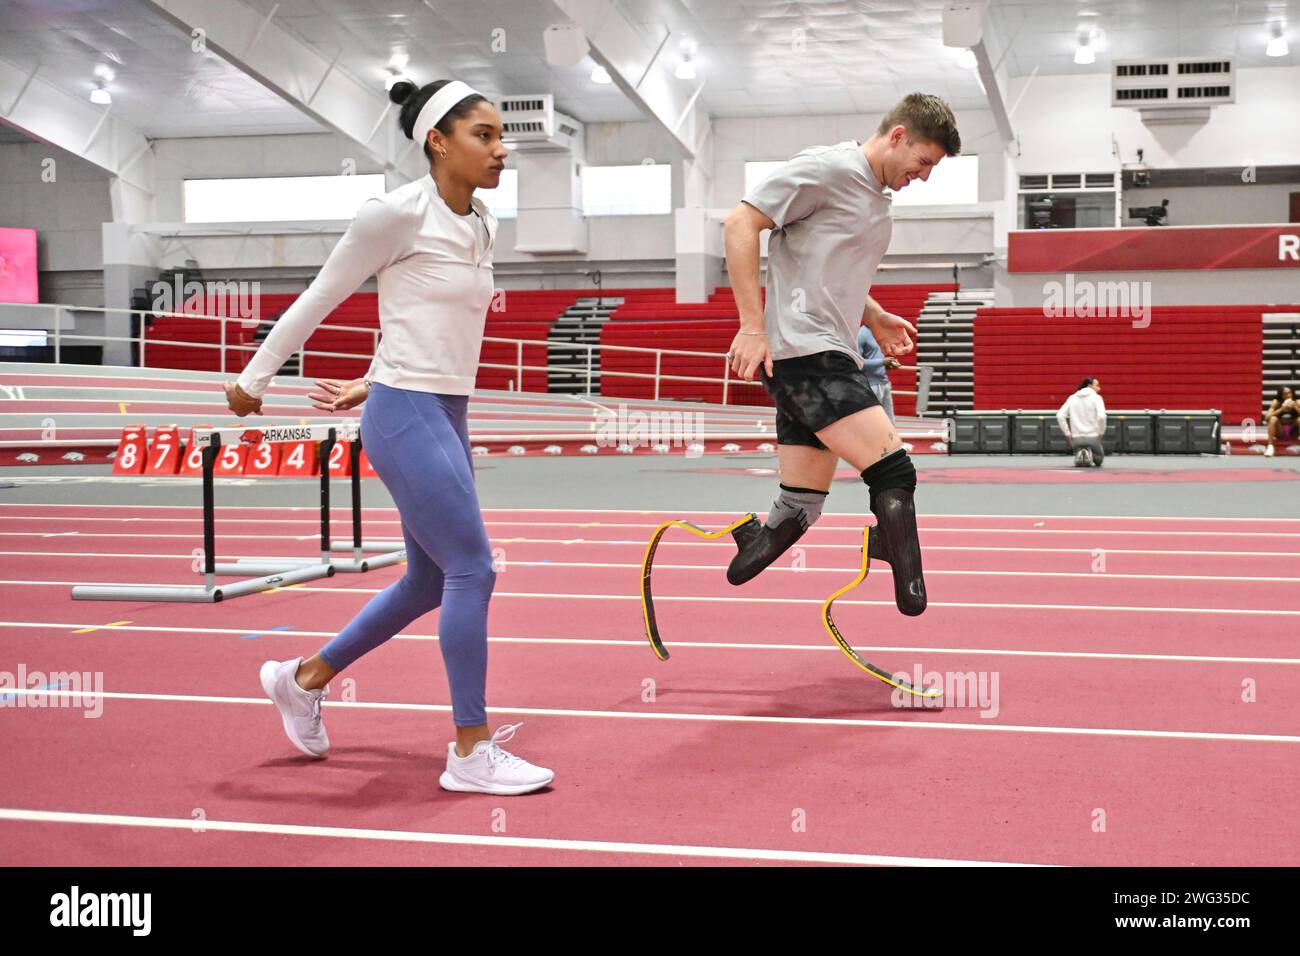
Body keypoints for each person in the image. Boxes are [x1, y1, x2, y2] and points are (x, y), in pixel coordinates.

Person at [222, 78, 553, 795]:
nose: (502, 149)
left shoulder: (483, 220)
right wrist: (255, 377)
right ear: (438, 141)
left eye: (501, 135)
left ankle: (302, 679)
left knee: (430, 579)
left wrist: (374, 375)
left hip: (439, 405)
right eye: (485, 135)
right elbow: (321, 293)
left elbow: (426, 324)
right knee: (474, 568)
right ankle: (471, 750)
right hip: (408, 415)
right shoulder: (394, 214)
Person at [722, 93, 962, 616]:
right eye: (924, 162)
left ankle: (749, 550)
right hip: (807, 357)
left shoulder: (877, 197)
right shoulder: (826, 169)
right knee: (894, 474)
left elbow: (826, 269)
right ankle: (904, 577)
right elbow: (740, 224)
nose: (924, 176)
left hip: (825, 355)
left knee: (801, 505)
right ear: (898, 135)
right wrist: (751, 326)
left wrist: (873, 315)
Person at [1056, 377, 1107, 467]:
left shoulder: (1072, 398)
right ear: (1090, 386)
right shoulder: (1097, 398)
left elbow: (1060, 415)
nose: (1099, 388)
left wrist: (1068, 434)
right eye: (1097, 385)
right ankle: (1090, 455)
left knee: (1077, 448)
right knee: (1099, 460)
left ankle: (1080, 454)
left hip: (1076, 439)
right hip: (1093, 438)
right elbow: (1102, 416)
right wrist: (1101, 433)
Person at [856, 322, 897, 424]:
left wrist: (886, 365)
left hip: (884, 383)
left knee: (890, 424)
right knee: (872, 423)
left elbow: (875, 357)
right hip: (871, 385)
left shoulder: (877, 333)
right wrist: (882, 362)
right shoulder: (862, 334)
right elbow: (858, 361)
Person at [1264, 386, 1297, 457]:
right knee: (1273, 419)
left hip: (1294, 432)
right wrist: (1281, 409)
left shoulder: (1297, 402)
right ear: (1281, 396)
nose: (1288, 395)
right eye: (1285, 394)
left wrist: (1295, 408)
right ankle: (1270, 447)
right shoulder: (1276, 402)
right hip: (1280, 432)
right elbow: (1267, 418)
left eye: (1289, 393)